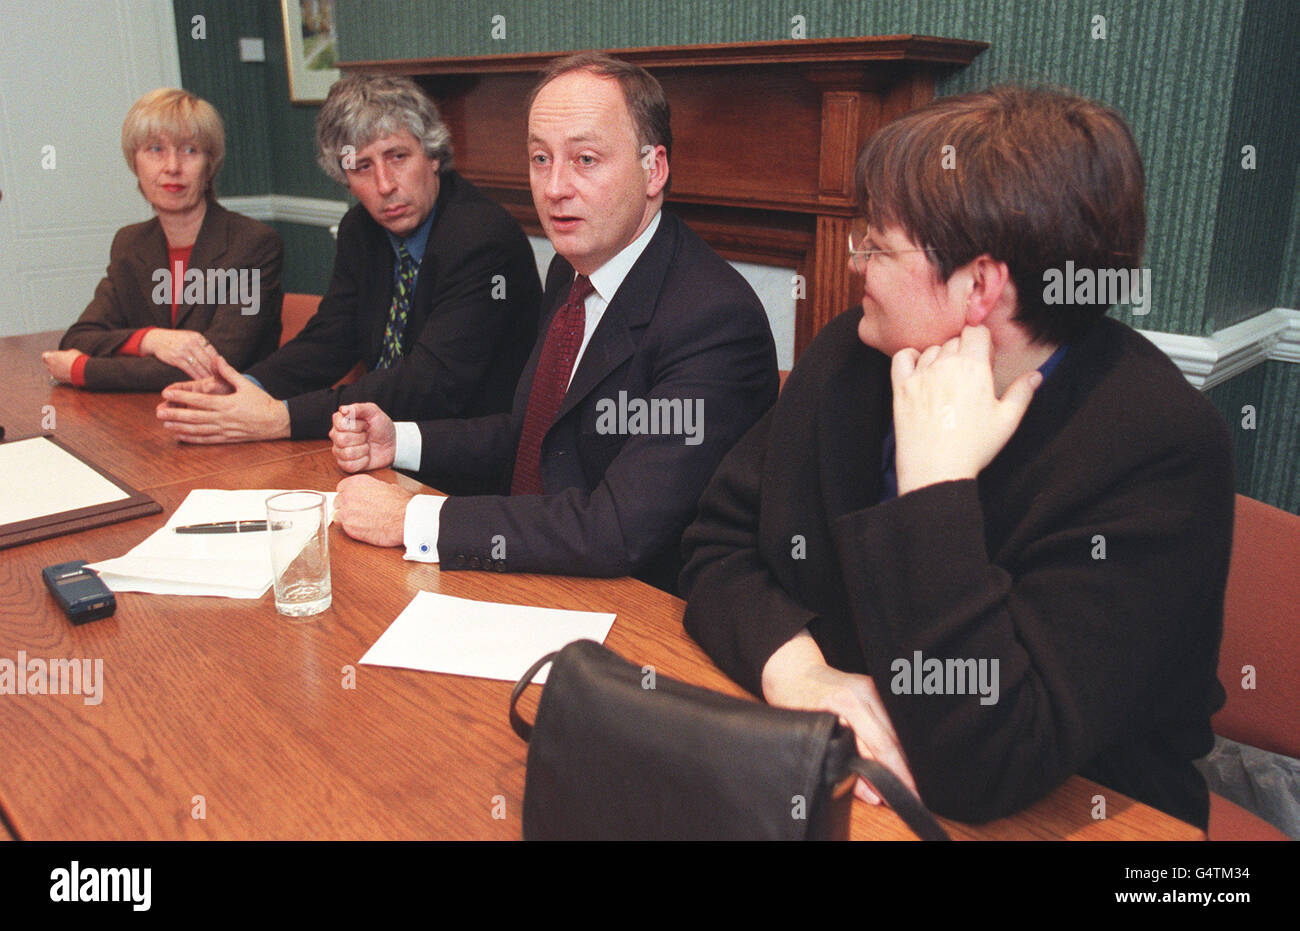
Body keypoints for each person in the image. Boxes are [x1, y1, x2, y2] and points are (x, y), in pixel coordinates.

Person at [679, 85, 1234, 829]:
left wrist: (935, 487)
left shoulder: (1158, 448)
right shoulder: (852, 354)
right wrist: (803, 671)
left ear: (979, 285)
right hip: (842, 781)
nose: (854, 264)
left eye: (876, 244)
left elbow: (988, 764)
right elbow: (716, 544)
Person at [330, 53, 778, 593]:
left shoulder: (714, 320)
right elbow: (534, 438)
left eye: (585, 159)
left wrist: (413, 521)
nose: (554, 187)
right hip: (535, 572)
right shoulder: (570, 270)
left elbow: (616, 529)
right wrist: (397, 441)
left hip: (638, 614)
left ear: (653, 169)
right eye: (540, 159)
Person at [154, 73, 541, 444]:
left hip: (466, 459)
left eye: (398, 156)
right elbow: (331, 337)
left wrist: (282, 417)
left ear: (433, 155)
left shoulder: (481, 238)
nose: (385, 185)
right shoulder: (361, 228)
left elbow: (431, 383)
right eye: (362, 167)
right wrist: (247, 386)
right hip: (377, 441)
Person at [44, 89, 282, 391]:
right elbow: (80, 337)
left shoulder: (252, 244)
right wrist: (151, 340)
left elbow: (215, 364)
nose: (172, 166)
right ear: (135, 163)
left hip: (226, 417)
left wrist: (83, 369)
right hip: (140, 414)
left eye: (190, 150)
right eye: (155, 149)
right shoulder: (130, 243)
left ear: (209, 166)